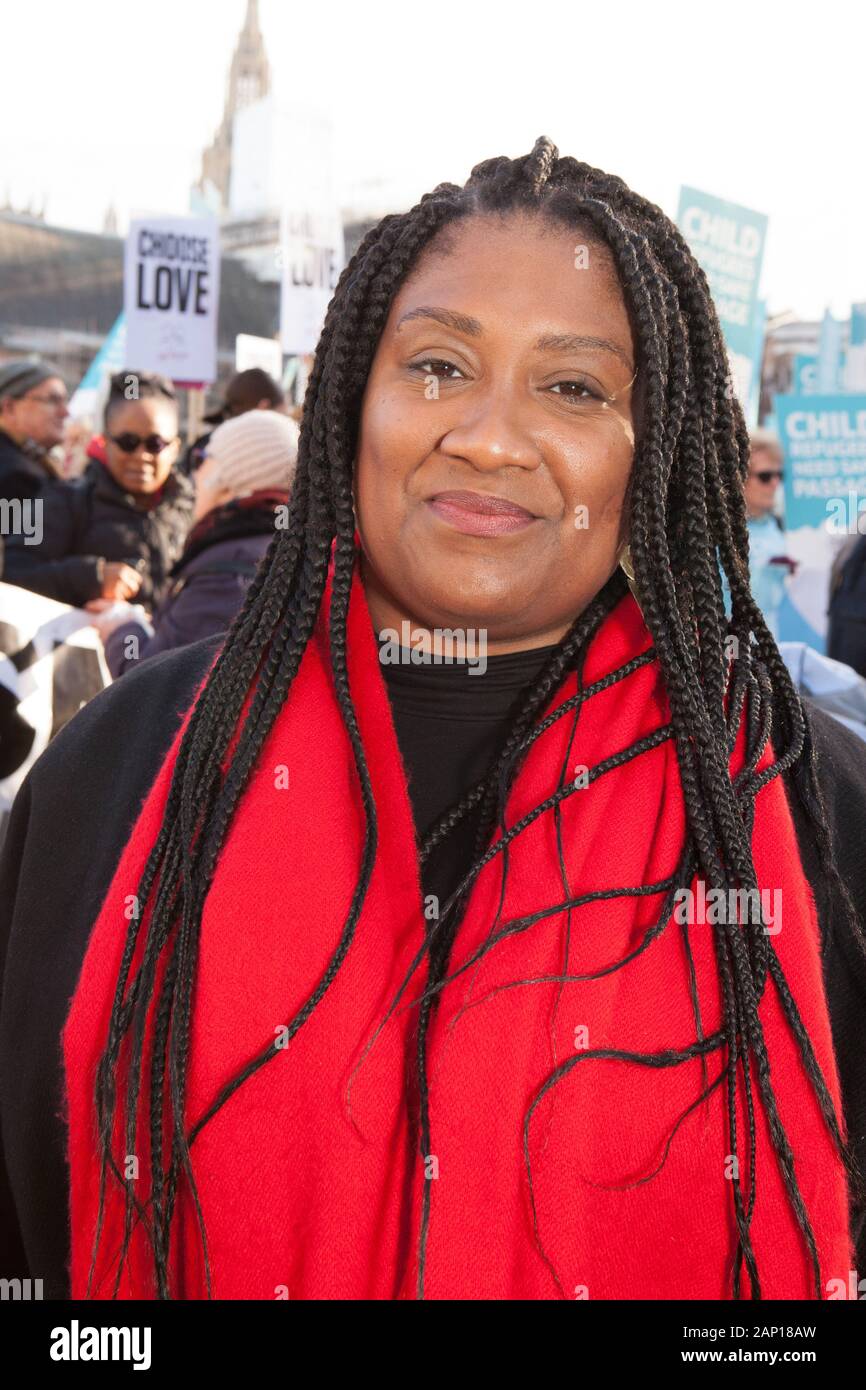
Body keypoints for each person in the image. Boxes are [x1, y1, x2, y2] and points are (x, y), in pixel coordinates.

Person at [1, 138, 866, 1302]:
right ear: (351, 399)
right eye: (438, 367)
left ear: (651, 452)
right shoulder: (114, 768)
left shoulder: (819, 820)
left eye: (572, 386)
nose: (490, 436)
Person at [87, 408, 299, 678]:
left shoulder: (231, 571)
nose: (196, 473)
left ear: (228, 478)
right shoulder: (281, 543)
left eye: (203, 459)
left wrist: (122, 628)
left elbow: (154, 685)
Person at [2, 370, 194, 611]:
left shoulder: (197, 511)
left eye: (155, 444)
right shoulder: (63, 500)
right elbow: (11, 572)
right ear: (105, 442)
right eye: (128, 442)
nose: (141, 456)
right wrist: (92, 578)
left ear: (175, 447)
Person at [721, 429, 796, 641]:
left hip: (770, 647)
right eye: (765, 476)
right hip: (730, 649)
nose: (775, 484)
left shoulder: (777, 525)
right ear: (739, 477)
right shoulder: (718, 531)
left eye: (779, 475)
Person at [181, 366, 287, 476]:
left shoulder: (207, 445)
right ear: (263, 407)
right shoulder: (263, 457)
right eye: (282, 417)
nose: (285, 425)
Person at [0, 360, 69, 502]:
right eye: (53, 400)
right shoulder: (17, 477)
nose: (65, 412)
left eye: (64, 401)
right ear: (9, 407)